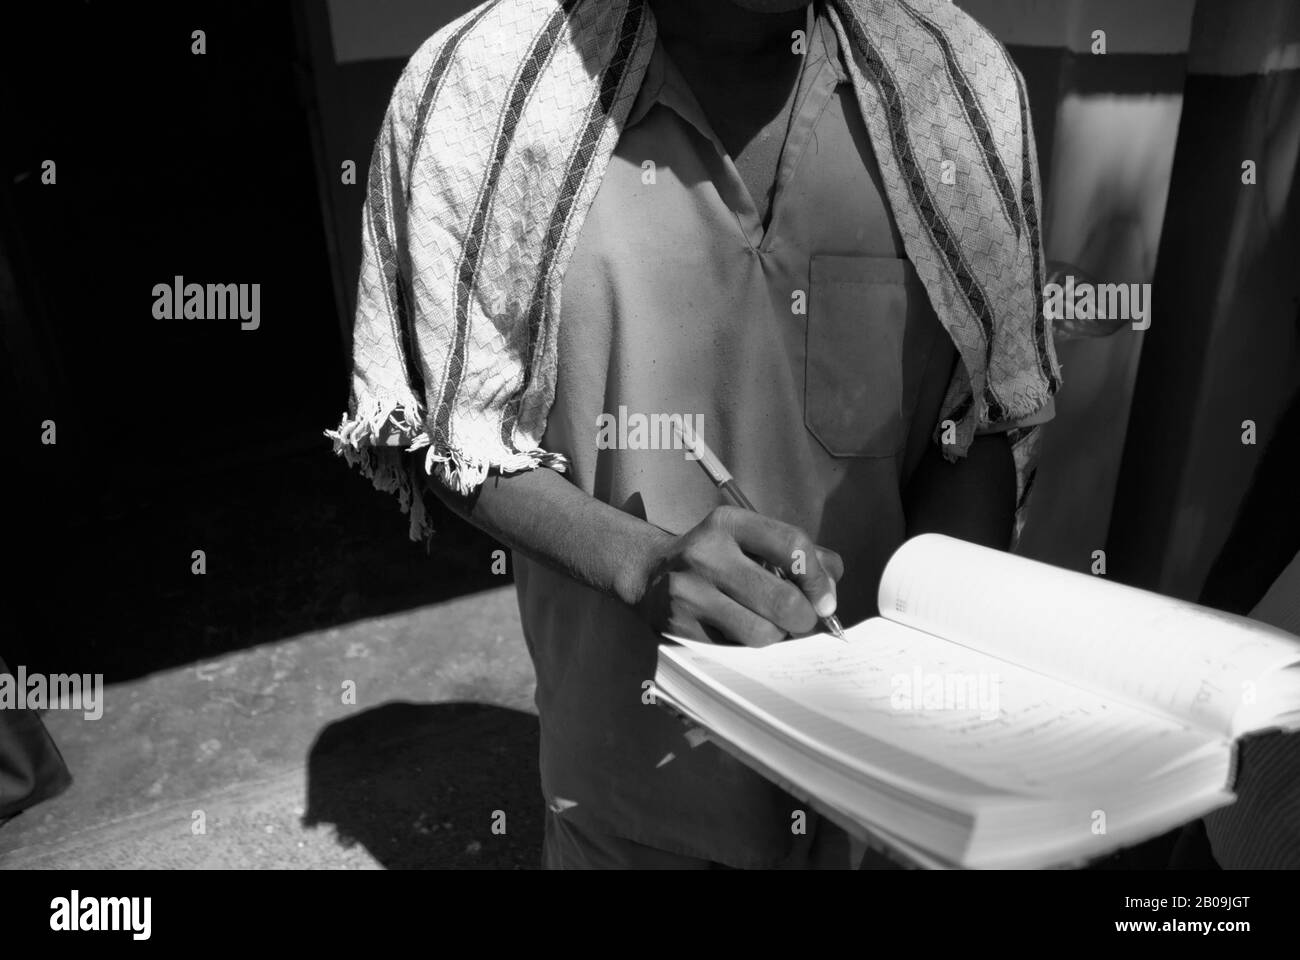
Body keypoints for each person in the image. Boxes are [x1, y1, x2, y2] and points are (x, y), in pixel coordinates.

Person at [329, 0, 1059, 868]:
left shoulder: (956, 92)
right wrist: (641, 563)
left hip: (885, 810)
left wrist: (944, 671)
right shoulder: (479, 100)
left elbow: (974, 418)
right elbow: (454, 430)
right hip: (629, 806)